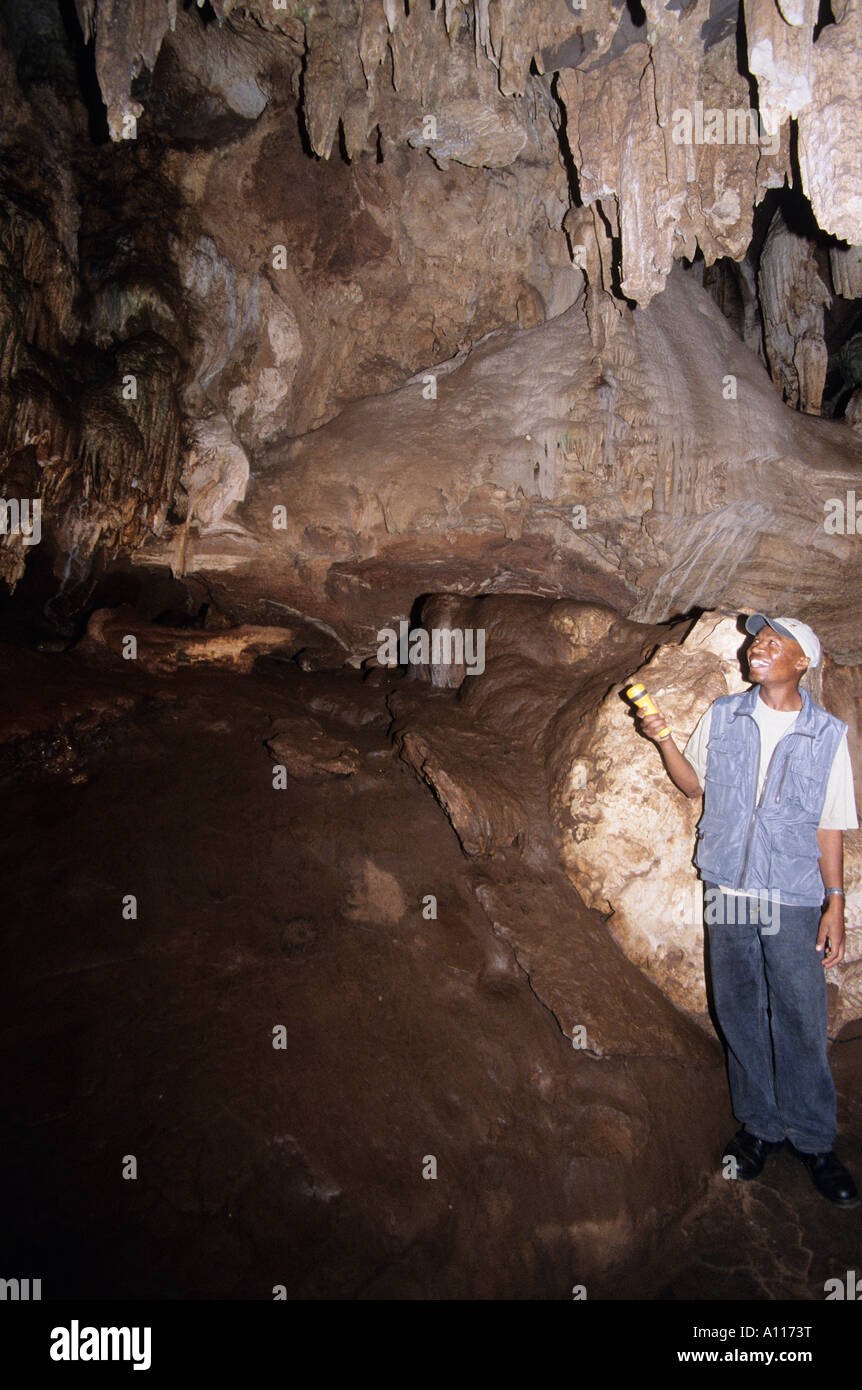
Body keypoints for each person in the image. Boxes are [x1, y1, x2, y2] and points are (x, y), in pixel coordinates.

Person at [635, 613, 860, 1209]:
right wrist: (661, 737)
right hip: (727, 888)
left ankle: (814, 1139)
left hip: (790, 891)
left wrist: (835, 902)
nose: (759, 646)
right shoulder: (723, 716)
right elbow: (692, 787)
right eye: (758, 639)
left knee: (800, 1014)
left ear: (802, 662)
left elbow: (831, 824)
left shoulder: (827, 733)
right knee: (737, 1006)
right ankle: (760, 1126)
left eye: (774, 642)